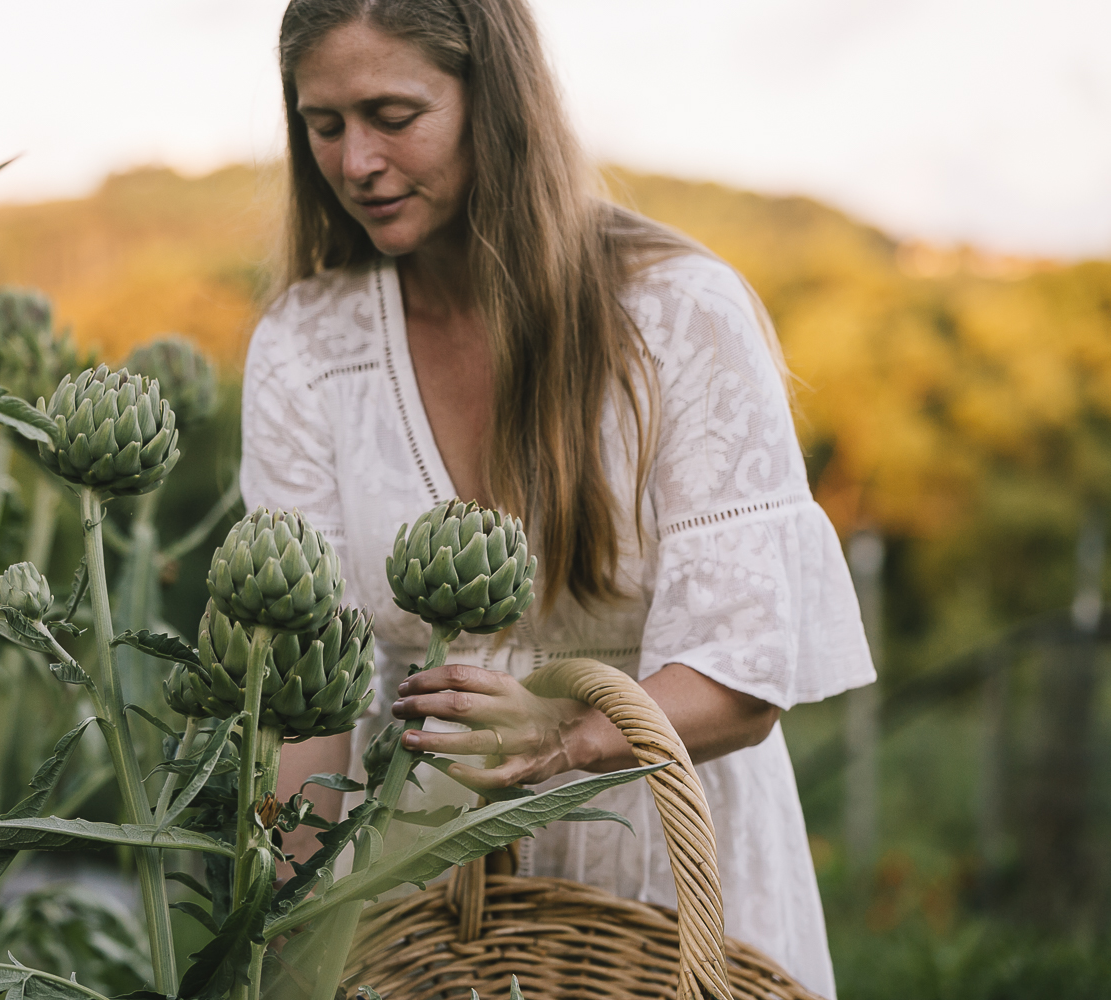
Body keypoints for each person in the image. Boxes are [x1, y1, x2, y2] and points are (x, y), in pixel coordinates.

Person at [239, 1, 875, 996]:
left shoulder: (678, 314)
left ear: (495, 101)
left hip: (668, 861)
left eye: (393, 115)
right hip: (424, 896)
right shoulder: (304, 350)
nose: (356, 161)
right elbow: (308, 701)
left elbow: (746, 671)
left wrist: (564, 736)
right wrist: (293, 922)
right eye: (324, 125)